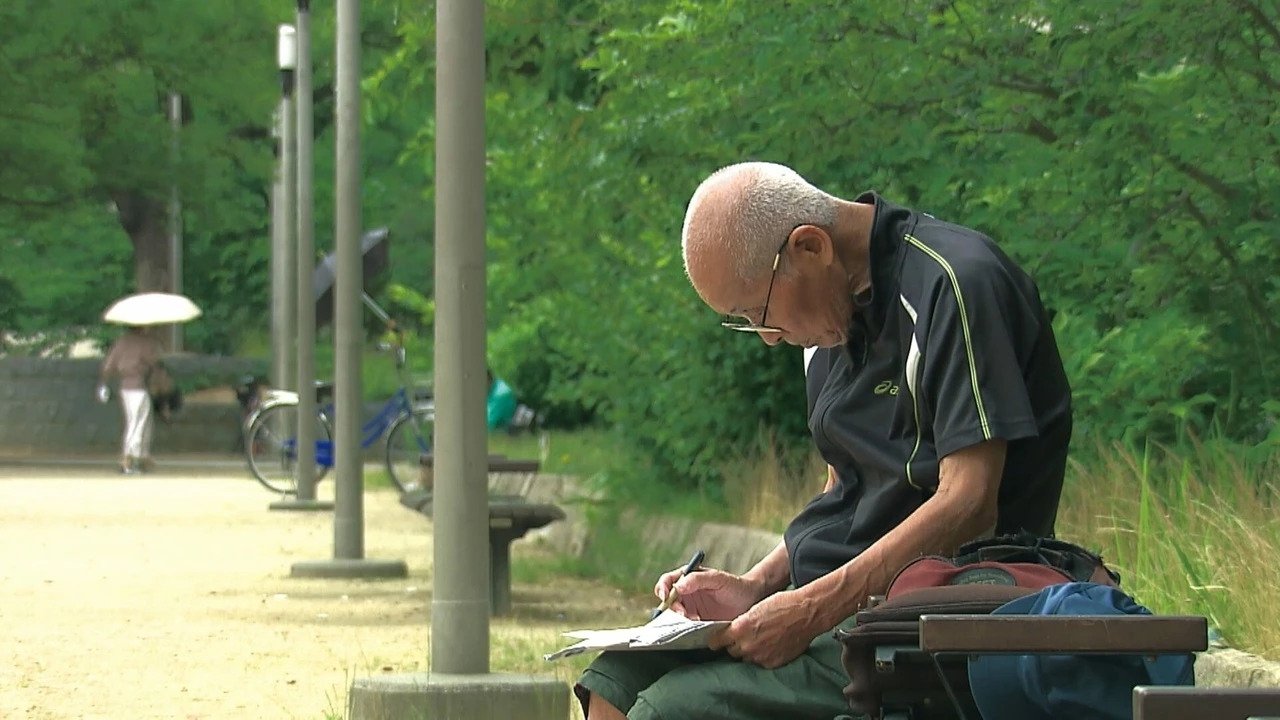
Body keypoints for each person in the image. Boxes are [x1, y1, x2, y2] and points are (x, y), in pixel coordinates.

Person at [575, 161, 1073, 719]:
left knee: (676, 710)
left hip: (933, 612)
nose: (767, 339)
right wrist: (757, 585)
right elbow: (843, 491)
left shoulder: (956, 283)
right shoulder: (825, 324)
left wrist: (809, 610)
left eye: (756, 312)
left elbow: (971, 501)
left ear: (810, 248)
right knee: (614, 677)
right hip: (835, 603)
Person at [97, 326, 164, 474]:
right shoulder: (145, 343)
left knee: (134, 421)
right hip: (139, 387)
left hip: (125, 388)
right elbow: (155, 363)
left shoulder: (121, 343)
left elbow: (108, 366)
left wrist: (103, 385)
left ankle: (137, 456)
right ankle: (133, 458)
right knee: (139, 423)